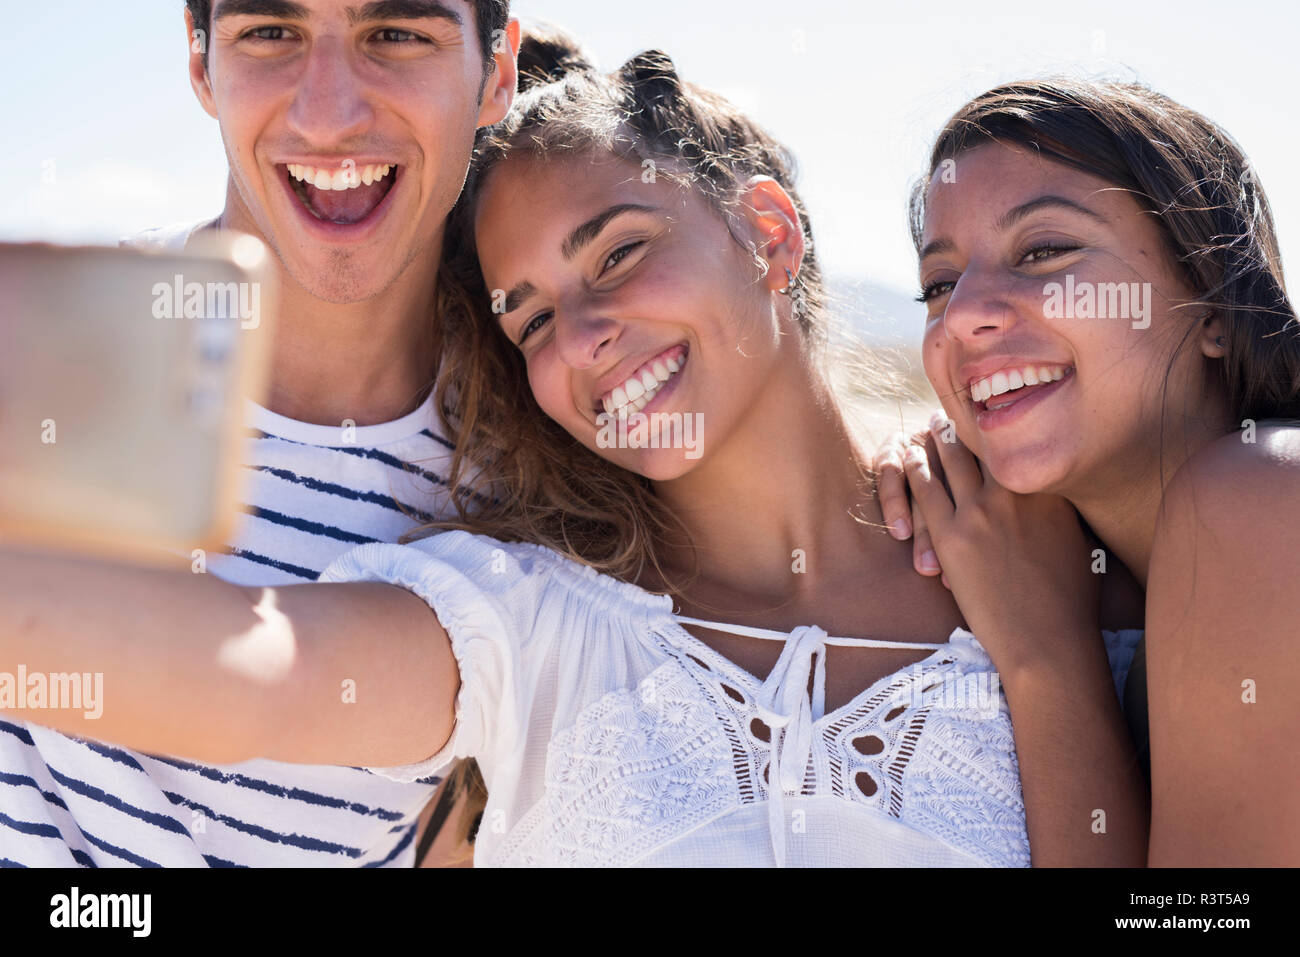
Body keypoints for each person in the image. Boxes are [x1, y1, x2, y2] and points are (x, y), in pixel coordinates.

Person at [1, 49, 1148, 867]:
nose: (586, 339)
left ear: (768, 232)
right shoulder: (525, 615)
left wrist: (1051, 662)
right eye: (530, 315)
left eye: (619, 254)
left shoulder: (1052, 540)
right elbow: (244, 683)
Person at [0, 0, 519, 867]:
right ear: (203, 67)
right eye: (270, 33)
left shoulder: (533, 485)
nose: (328, 114)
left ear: (494, 75)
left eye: (397, 34)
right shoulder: (42, 345)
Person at [873, 79, 1300, 865]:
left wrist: (1049, 658)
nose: (963, 313)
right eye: (939, 285)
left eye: (1043, 251)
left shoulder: (1264, 490)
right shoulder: (1041, 550)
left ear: (1213, 304)